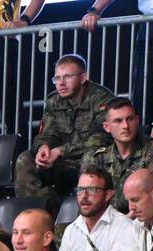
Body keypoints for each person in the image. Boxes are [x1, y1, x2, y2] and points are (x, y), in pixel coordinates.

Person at [12, 56, 112, 210]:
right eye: (57, 78)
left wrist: (59, 151)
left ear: (83, 77)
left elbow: (101, 138)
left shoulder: (101, 99)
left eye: (67, 77)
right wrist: (43, 148)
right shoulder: (54, 101)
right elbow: (47, 134)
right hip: (61, 162)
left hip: (92, 161)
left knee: (90, 158)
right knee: (25, 159)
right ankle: (38, 216)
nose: (61, 83)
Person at [91, 97, 153, 213]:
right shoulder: (100, 157)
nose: (125, 126)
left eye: (129, 119)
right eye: (118, 121)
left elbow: (152, 191)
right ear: (107, 127)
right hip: (113, 221)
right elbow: (90, 195)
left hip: (149, 218)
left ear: (137, 120)